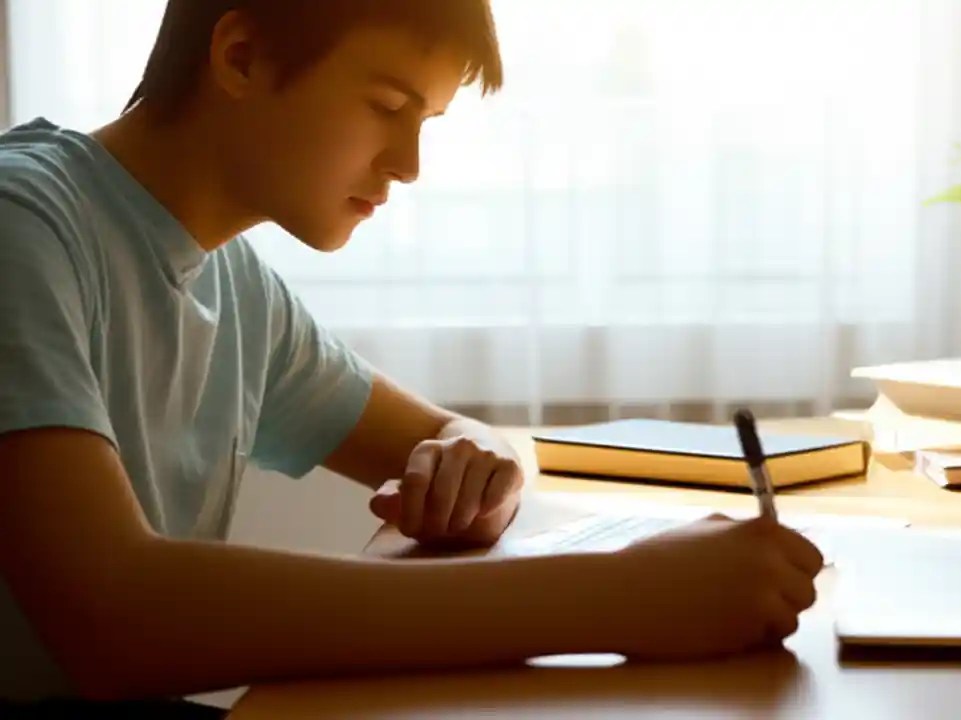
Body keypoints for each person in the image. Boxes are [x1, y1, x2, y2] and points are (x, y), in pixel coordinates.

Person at [0, 0, 822, 715]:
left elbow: (446, 436)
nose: (409, 165)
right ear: (241, 58)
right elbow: (114, 620)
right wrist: (622, 598)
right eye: (386, 105)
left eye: (423, 122)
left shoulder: (233, 280)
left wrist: (478, 471)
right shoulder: (25, 227)